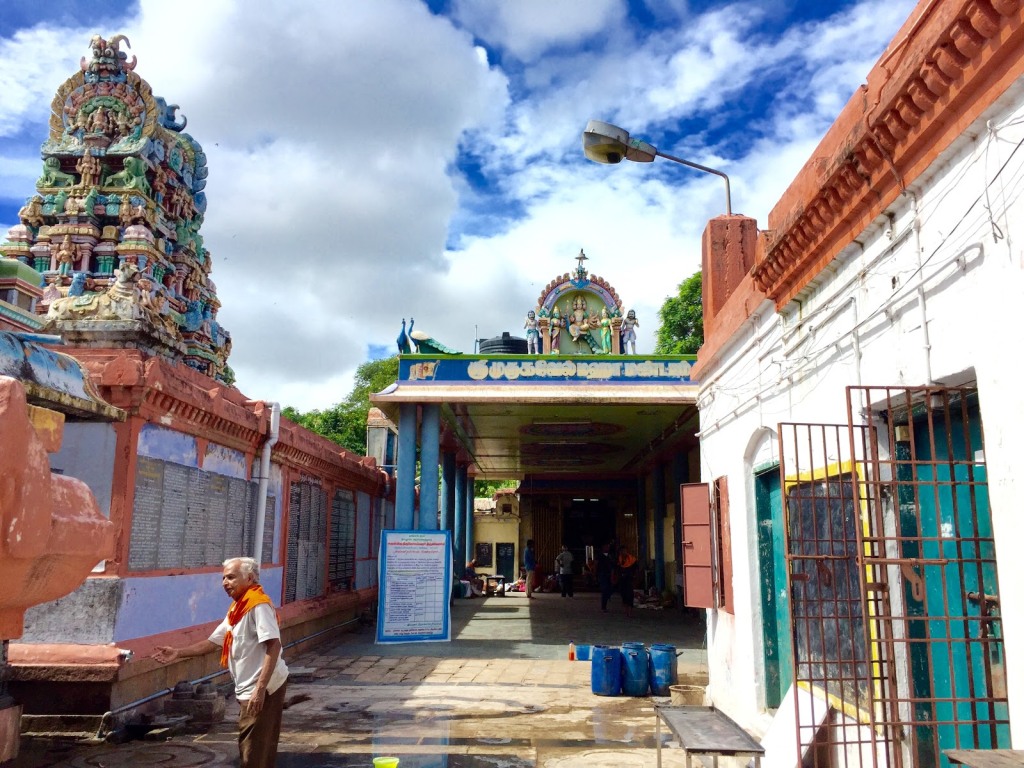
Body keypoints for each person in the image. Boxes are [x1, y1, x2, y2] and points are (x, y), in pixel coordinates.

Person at [153, 557, 289, 768]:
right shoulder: (237, 610)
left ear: (250, 578)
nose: (225, 582)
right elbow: (211, 642)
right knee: (256, 748)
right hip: (248, 687)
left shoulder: (257, 605)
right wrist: (178, 652)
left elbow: (274, 645)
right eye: (224, 578)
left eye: (231, 577)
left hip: (264, 687)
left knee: (252, 751)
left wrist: (260, 689)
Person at [617, 546, 638, 617]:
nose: (623, 553)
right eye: (622, 551)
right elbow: (616, 570)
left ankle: (630, 612)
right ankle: (626, 611)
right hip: (622, 580)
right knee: (624, 595)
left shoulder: (632, 560)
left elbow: (636, 570)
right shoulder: (618, 560)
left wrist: (634, 578)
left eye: (625, 551)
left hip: (629, 579)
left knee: (630, 595)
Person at [596, 542, 615, 613]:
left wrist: (612, 575)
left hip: (609, 574)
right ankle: (603, 606)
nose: (607, 548)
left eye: (608, 546)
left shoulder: (611, 556)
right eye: (606, 546)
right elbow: (596, 564)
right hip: (602, 574)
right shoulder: (599, 555)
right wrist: (595, 574)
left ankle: (607, 597)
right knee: (604, 590)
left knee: (610, 589)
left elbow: (613, 566)